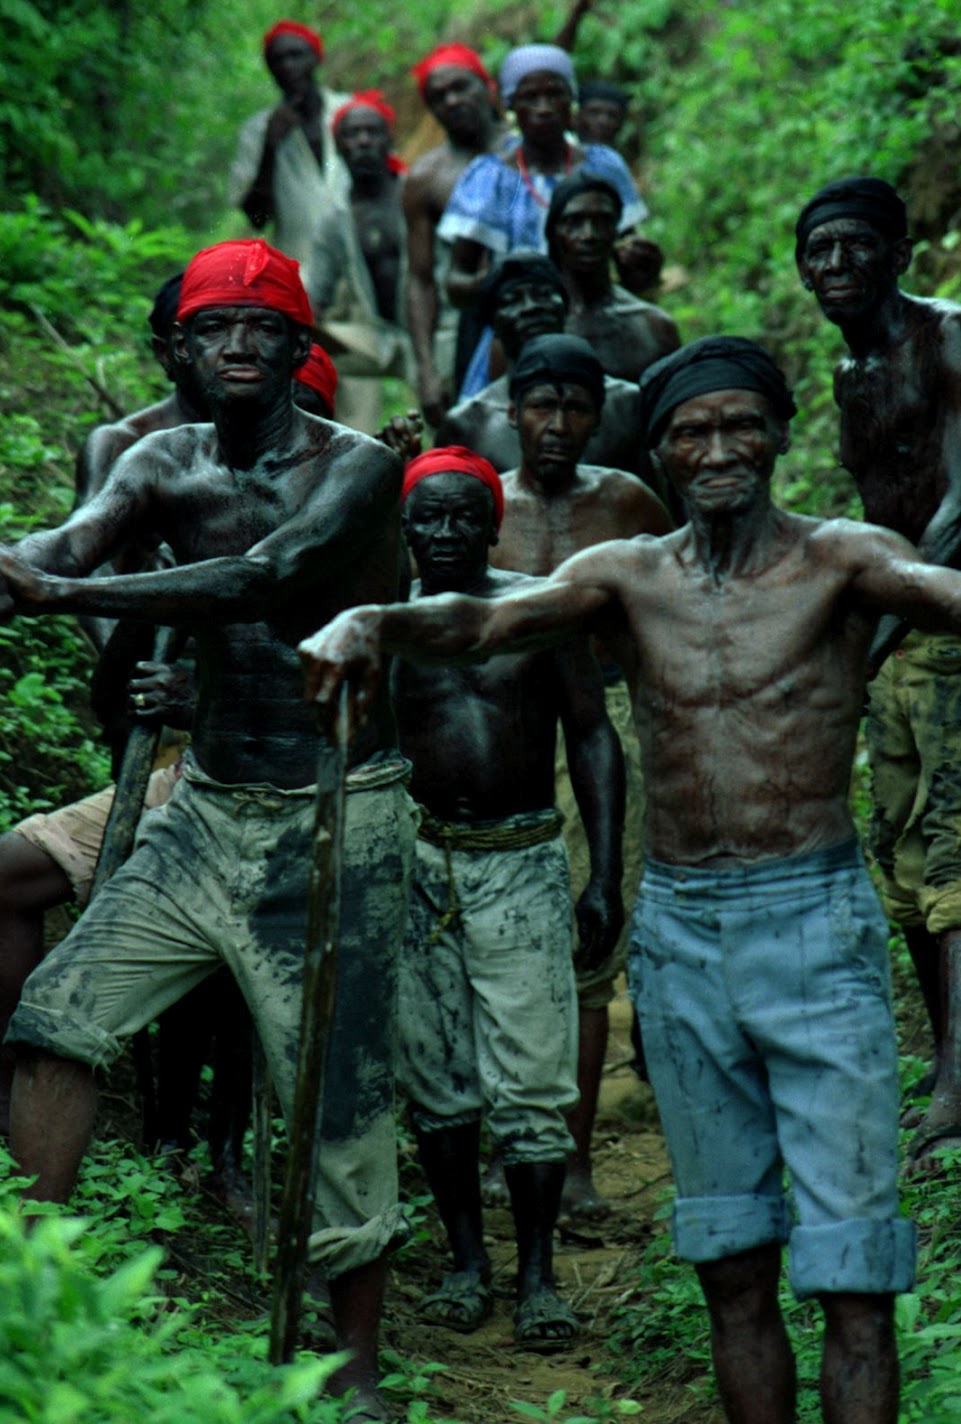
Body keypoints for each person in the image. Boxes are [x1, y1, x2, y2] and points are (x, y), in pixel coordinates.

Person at [299, 336, 961, 1424]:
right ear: (660, 452)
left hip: (812, 920)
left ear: (778, 436)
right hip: (683, 939)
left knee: (854, 1273)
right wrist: (371, 617)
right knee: (732, 1264)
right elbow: (482, 616)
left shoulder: (840, 558)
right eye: (691, 431)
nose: (717, 448)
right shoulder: (628, 577)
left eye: (739, 425)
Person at [0, 239, 417, 1422]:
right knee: (59, 1017)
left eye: (263, 331)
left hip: (335, 815)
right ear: (180, 348)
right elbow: (71, 542)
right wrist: (14, 568)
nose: (238, 347)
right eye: (216, 330)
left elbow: (261, 578)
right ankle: (38, 1300)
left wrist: (62, 593)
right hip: (207, 806)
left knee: (335, 1096)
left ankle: (360, 1373)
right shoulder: (160, 459)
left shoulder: (358, 468)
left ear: (297, 351)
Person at [794, 175, 961, 1166]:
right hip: (898, 628)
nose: (835, 267)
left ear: (901, 253)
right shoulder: (851, 368)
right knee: (903, 867)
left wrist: (889, 619)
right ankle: (951, 1050)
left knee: (960, 848)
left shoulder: (950, 336)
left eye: (856, 247)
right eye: (818, 253)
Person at [392, 446, 624, 1349]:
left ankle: (538, 1278)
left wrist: (600, 873)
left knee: (530, 1076)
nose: (446, 533)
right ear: (404, 528)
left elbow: (595, 739)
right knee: (439, 1080)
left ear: (494, 524)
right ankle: (463, 1263)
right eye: (428, 518)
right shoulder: (382, 618)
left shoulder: (539, 611)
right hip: (417, 859)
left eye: (463, 517)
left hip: (523, 858)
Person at [492, 335, 671, 1220]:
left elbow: (675, 601)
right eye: (539, 406)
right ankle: (509, 1143)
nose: (555, 424)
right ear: (511, 411)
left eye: (573, 407)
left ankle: (572, 1161)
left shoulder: (629, 500)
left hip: (604, 726)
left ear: (597, 415)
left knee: (588, 942)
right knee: (496, 941)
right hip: (497, 731)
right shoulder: (485, 501)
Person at [438, 44, 662, 396]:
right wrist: (506, 284)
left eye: (554, 94)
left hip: (600, 323)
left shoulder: (602, 165)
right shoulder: (491, 177)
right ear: (510, 106)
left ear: (571, 100)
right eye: (529, 97)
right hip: (518, 329)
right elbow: (457, 280)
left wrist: (638, 262)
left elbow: (629, 252)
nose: (543, 108)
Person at [435, 252, 653, 485]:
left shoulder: (626, 403)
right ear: (493, 323)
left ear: (565, 307)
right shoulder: (469, 423)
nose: (531, 308)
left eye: (543, 294)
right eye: (512, 300)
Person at [404, 44, 502, 421]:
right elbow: (420, 280)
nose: (453, 100)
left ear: (488, 88)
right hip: (460, 325)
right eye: (439, 96)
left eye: (461, 87)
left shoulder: (528, 149)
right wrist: (426, 372)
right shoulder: (425, 178)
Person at [305, 91, 412, 433]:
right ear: (338, 146)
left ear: (389, 140)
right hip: (374, 336)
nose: (363, 141)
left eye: (372, 131)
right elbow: (315, 294)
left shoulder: (415, 195)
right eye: (352, 134)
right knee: (293, 355)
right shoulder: (334, 221)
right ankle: (325, 442)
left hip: (431, 332)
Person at [228, 20, 349, 273]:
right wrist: (271, 146)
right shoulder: (257, 131)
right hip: (300, 270)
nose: (288, 66)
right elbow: (257, 219)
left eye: (296, 55)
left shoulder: (350, 112)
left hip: (360, 264)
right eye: (278, 60)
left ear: (316, 58)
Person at [545, 173, 680, 381]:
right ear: (554, 231)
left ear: (616, 231)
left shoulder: (655, 326)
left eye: (602, 221)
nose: (589, 234)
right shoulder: (533, 321)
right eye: (574, 222)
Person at [575, 81, 631, 150]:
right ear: (577, 115)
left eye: (612, 115)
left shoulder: (614, 159)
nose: (603, 121)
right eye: (594, 112)